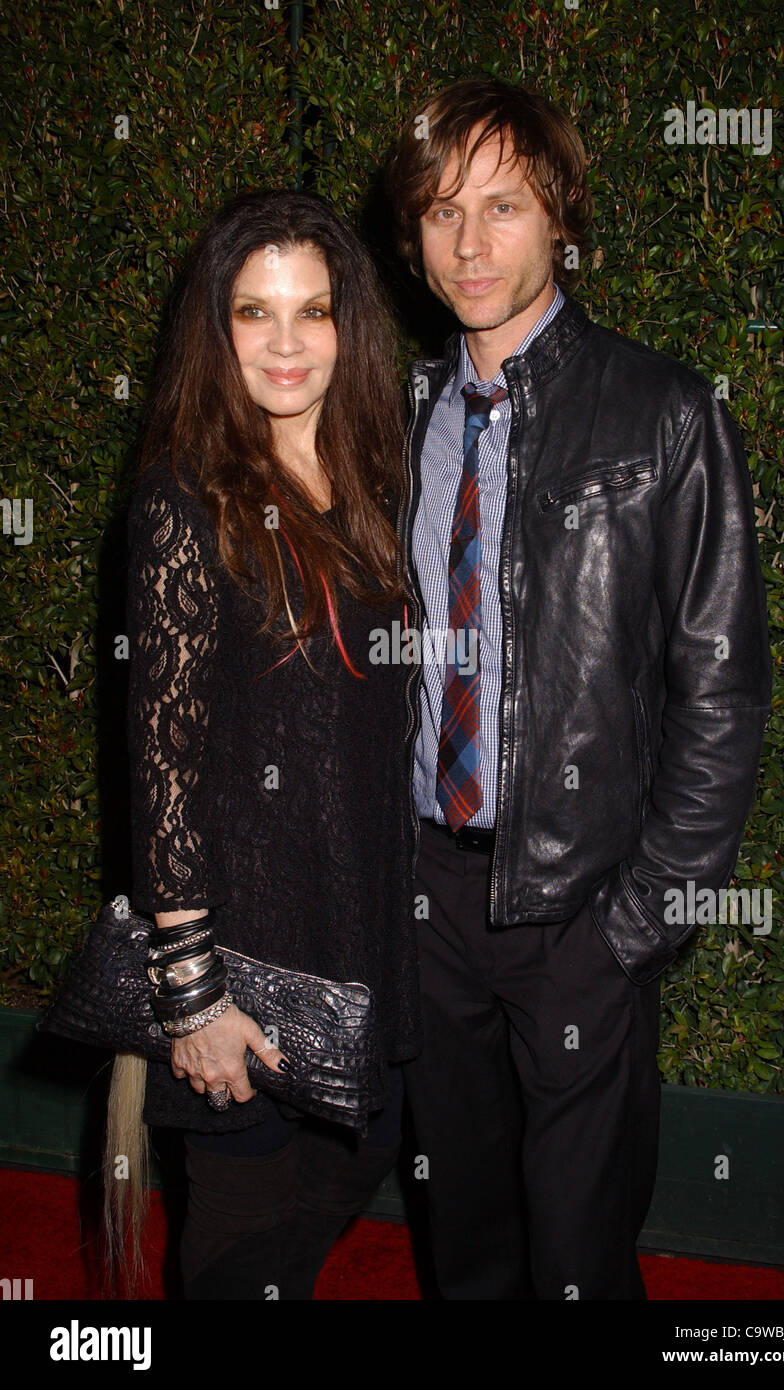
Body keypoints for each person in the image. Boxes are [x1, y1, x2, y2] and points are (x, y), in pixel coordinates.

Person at [386, 79, 772, 1300]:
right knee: (465, 1241)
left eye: (502, 206)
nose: (469, 243)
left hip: (580, 908)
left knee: (577, 1253)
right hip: (425, 897)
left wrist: (635, 923)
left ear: (560, 217)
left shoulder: (663, 411)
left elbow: (722, 692)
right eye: (443, 211)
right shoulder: (392, 416)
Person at [108, 190, 421, 1300]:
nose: (287, 343)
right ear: (215, 328)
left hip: (361, 938)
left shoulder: (376, 483)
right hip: (244, 959)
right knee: (243, 1246)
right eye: (254, 312)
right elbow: (164, 766)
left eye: (313, 310)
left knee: (365, 1157)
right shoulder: (182, 506)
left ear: (351, 327)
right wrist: (193, 995)